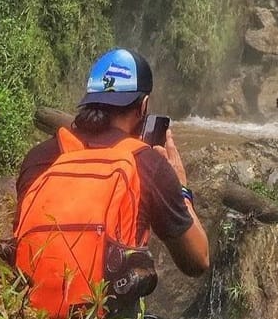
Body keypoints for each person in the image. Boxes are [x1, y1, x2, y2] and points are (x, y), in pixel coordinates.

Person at [14, 48, 209, 316]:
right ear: (143, 106)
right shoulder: (147, 164)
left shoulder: (38, 159)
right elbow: (197, 261)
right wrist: (181, 188)